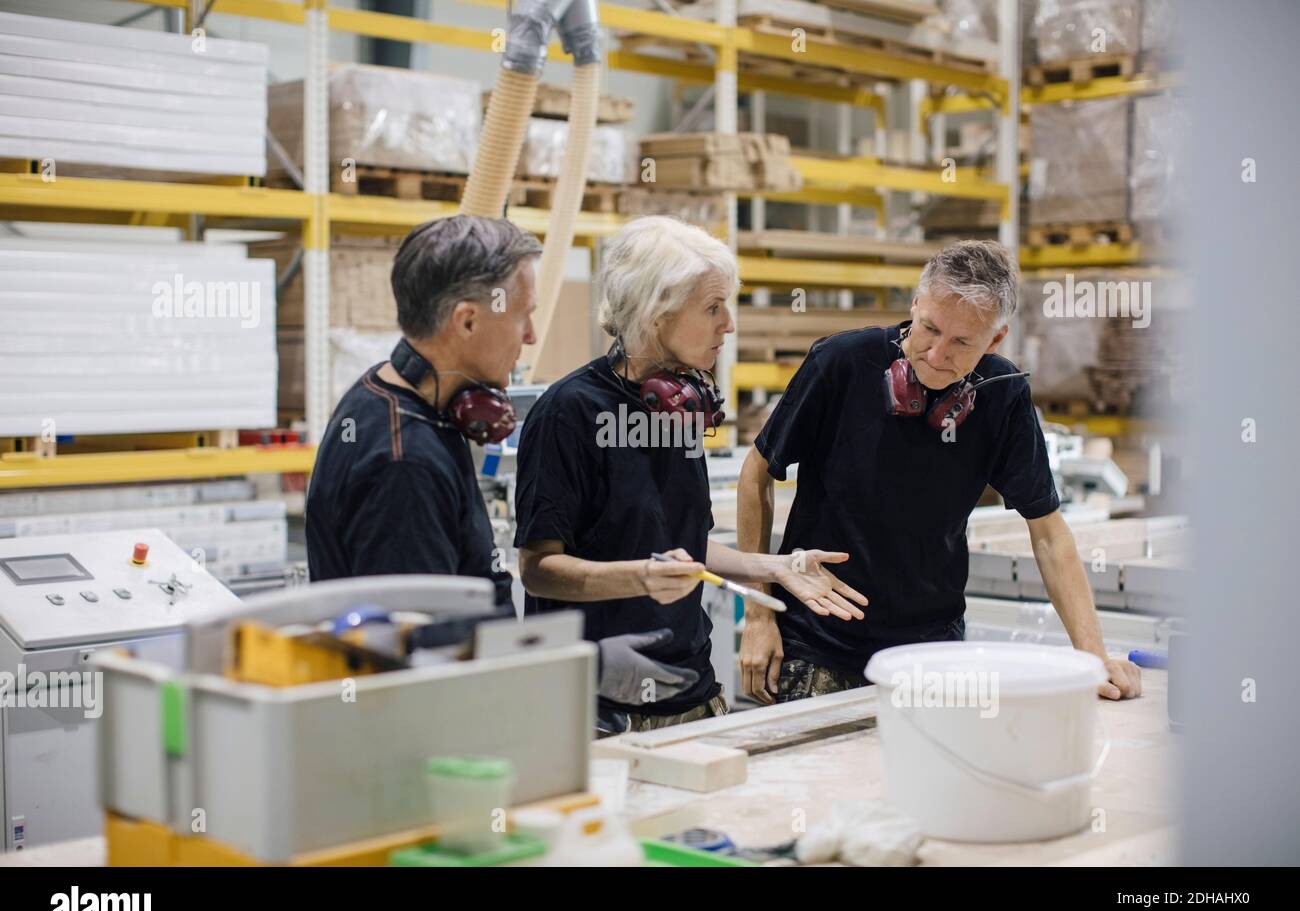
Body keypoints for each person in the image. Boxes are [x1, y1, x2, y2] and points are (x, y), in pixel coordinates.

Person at [305, 214, 691, 705]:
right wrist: (579, 667)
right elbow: (418, 657)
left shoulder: (394, 397)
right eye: (522, 316)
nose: (530, 336)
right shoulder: (404, 464)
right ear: (467, 320)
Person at [735, 239, 1143, 703]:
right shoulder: (841, 363)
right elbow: (756, 475)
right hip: (819, 651)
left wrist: (1093, 658)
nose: (934, 355)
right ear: (915, 304)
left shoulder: (1002, 397)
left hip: (933, 658)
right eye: (929, 328)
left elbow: (1048, 533)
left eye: (961, 343)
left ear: (994, 339)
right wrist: (758, 614)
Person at [515, 216, 868, 734]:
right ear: (658, 313)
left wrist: (773, 567)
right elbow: (539, 568)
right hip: (596, 714)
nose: (729, 324)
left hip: (690, 694)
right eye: (712, 307)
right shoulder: (568, 413)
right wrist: (639, 577)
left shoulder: (678, 409)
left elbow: (684, 549)